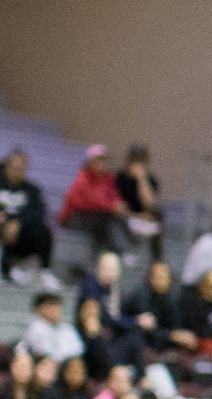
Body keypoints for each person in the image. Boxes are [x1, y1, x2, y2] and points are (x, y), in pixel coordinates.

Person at [59, 144, 128, 257]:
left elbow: (115, 197)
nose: (101, 163)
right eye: (98, 160)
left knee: (106, 221)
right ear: (89, 162)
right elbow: (91, 201)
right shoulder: (82, 178)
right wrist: (112, 207)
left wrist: (118, 204)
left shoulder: (109, 179)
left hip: (96, 218)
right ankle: (117, 253)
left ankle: (109, 255)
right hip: (75, 218)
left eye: (103, 160)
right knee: (105, 220)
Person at [0, 150, 54, 282]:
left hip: (21, 236)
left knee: (44, 231)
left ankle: (43, 272)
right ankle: (7, 270)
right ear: (6, 167)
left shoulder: (33, 190)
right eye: (14, 167)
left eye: (21, 168)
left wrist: (19, 224)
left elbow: (38, 213)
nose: (17, 171)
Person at [116, 145, 163, 261]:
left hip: (144, 220)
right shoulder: (120, 178)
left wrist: (141, 179)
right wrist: (139, 216)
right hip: (125, 218)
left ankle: (156, 262)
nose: (137, 162)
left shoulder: (150, 180)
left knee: (160, 216)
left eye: (141, 159)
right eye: (135, 159)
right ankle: (125, 253)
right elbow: (117, 208)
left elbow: (150, 205)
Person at [133, 259, 185, 353]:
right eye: (159, 278)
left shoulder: (171, 298)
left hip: (163, 343)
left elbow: (175, 326)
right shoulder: (141, 296)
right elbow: (147, 331)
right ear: (151, 279)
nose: (163, 282)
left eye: (166, 278)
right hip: (142, 344)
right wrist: (171, 335)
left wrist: (180, 336)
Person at [21, 293, 83, 362]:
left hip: (68, 367)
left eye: (56, 305)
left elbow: (78, 350)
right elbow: (45, 352)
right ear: (37, 309)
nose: (54, 309)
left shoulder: (68, 329)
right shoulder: (35, 329)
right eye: (49, 305)